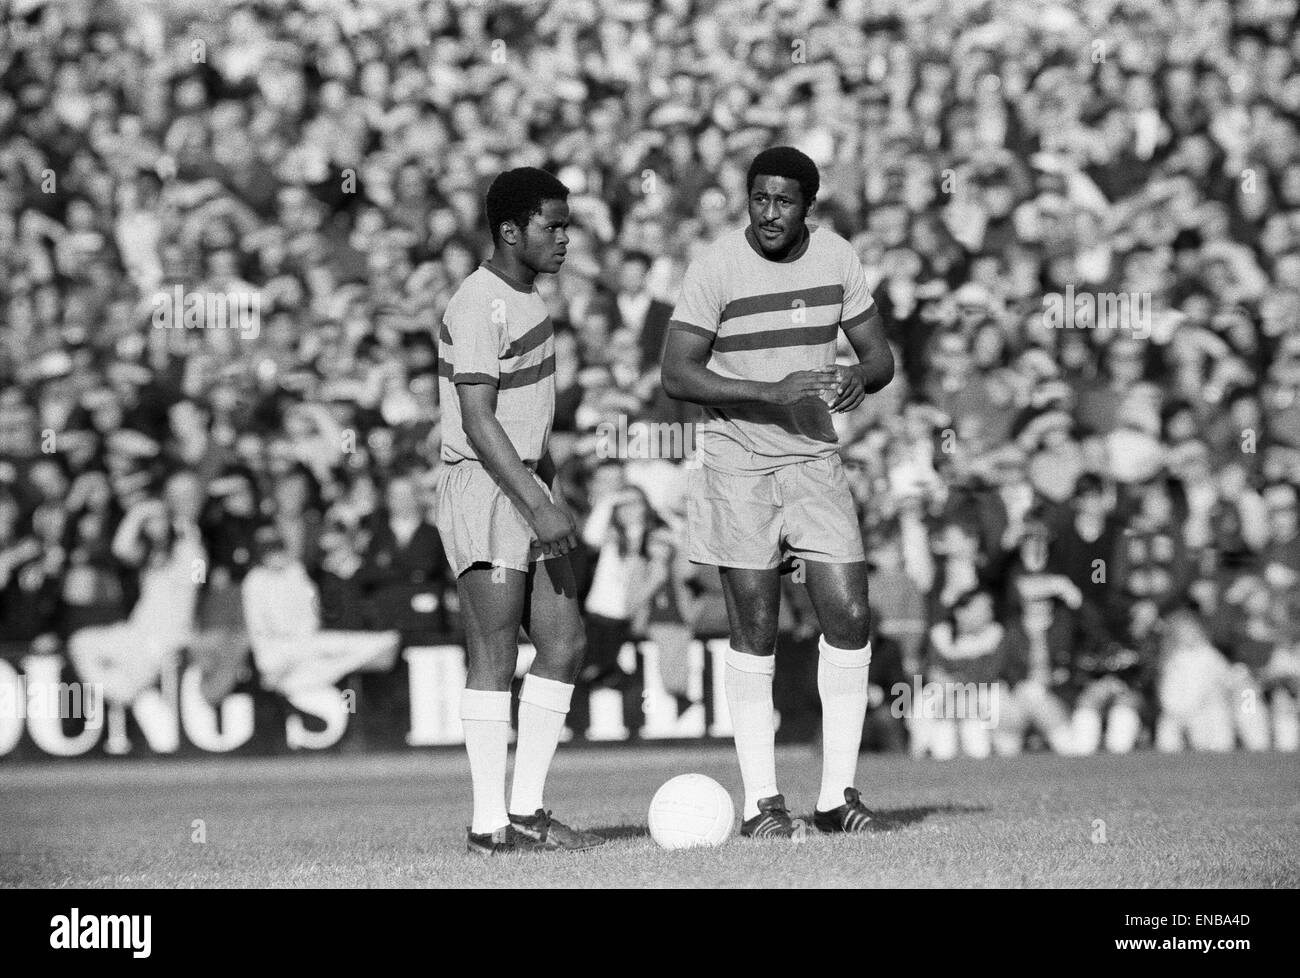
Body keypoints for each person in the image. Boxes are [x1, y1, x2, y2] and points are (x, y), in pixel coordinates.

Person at [660, 147, 894, 839]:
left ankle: (835, 797)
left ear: (808, 206)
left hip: (815, 458)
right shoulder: (715, 266)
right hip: (738, 462)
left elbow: (880, 356)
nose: (768, 213)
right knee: (755, 627)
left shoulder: (838, 259)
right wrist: (767, 392)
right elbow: (676, 371)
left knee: (849, 616)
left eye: (783, 201)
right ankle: (763, 802)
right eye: (759, 199)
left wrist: (861, 376)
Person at [433, 167, 603, 855]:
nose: (563, 238)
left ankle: (527, 810)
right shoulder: (479, 303)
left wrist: (552, 491)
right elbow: (477, 421)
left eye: (566, 225)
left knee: (564, 643)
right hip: (486, 487)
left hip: (532, 487)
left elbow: (529, 414)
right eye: (551, 226)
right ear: (509, 232)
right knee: (495, 651)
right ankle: (487, 824)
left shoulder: (530, 299)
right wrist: (537, 504)